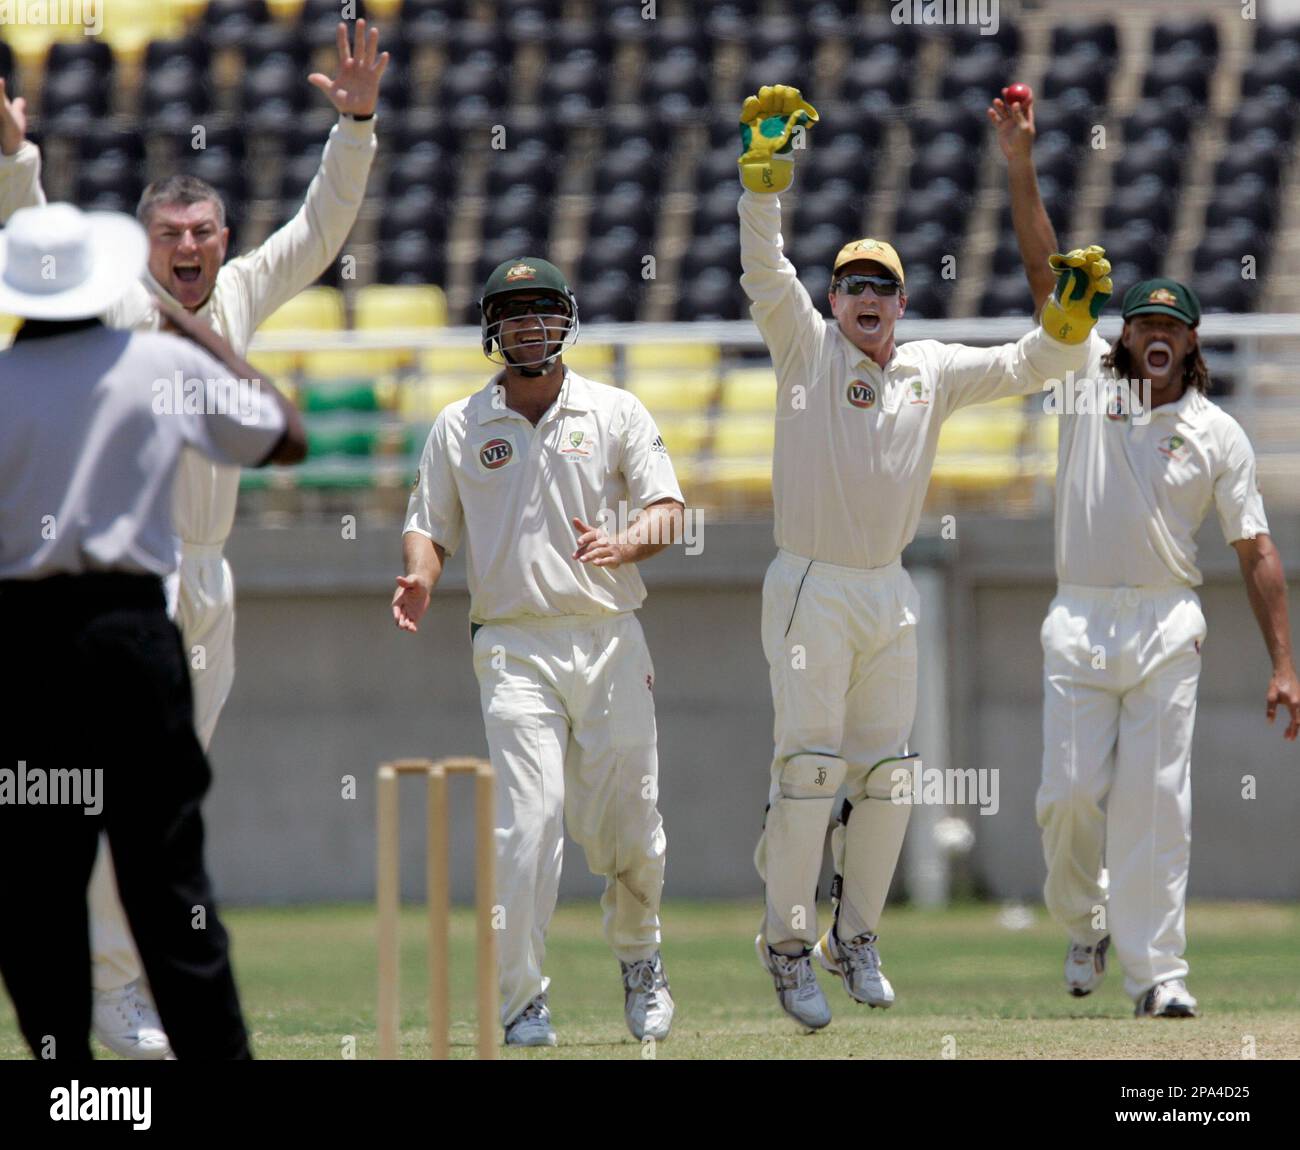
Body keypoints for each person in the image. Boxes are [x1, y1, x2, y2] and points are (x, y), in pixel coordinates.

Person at [0, 19, 386, 1056]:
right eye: (171, 233)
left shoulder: (246, 292)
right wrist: (14, 157)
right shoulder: (121, 307)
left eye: (203, 233)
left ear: (222, 238)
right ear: (144, 242)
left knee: (170, 811)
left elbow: (322, 224)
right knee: (94, 816)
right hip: (136, 580)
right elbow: (35, 233)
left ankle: (125, 990)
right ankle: (118, 996)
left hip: (212, 580)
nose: (188, 248)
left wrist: (355, 122)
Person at [736, 85, 1112, 1030]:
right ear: (834, 300)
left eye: (882, 287)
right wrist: (763, 182)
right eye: (852, 286)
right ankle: (784, 945)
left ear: (903, 302)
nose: (867, 299)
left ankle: (853, 935)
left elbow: (1032, 366)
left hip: (888, 589)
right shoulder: (804, 349)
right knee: (809, 773)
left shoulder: (930, 369)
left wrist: (1067, 325)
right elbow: (761, 266)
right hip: (810, 584)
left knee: (892, 778)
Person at [990, 93, 1300, 1017]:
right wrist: (1019, 163)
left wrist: (1285, 662)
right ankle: (1083, 921)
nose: (1155, 337)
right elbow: (1049, 275)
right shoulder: (1086, 381)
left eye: (1172, 327)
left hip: (1168, 621)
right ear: (1124, 333)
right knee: (1069, 799)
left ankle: (1158, 974)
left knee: (1156, 805)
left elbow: (1255, 550)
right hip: (1080, 616)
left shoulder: (1217, 433)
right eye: (1143, 324)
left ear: (1192, 341)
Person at [0, 202, 306, 1060]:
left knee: (37, 878)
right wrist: (201, 337)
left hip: (25, 648)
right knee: (166, 869)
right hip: (131, 635)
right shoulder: (150, 364)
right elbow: (285, 436)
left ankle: (68, 1081)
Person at [393, 257, 685, 1048]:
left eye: (543, 309)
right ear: (493, 329)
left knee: (629, 825)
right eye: (513, 312)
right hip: (514, 647)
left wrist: (626, 542)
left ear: (568, 318)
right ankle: (522, 1000)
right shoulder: (460, 425)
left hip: (608, 639)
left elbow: (669, 508)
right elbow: (428, 523)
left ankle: (639, 953)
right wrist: (421, 576)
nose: (529, 324)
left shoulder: (615, 409)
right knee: (528, 828)